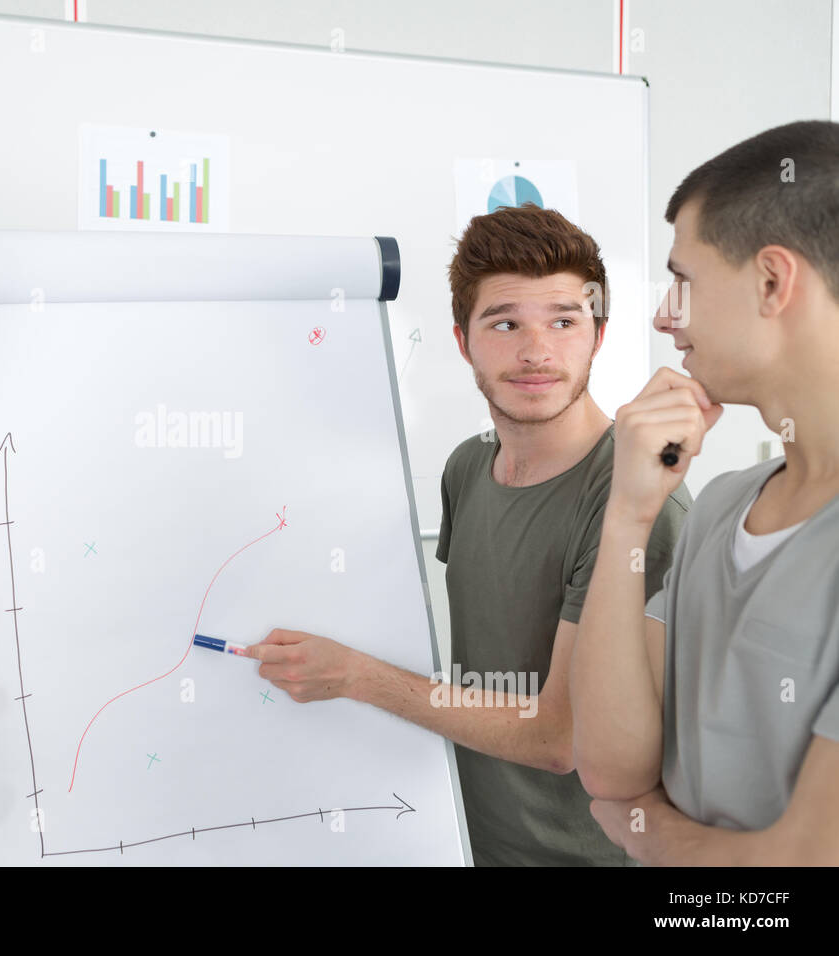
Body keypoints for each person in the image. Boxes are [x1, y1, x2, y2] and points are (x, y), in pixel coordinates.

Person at [248, 204, 691, 865]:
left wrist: (355, 677)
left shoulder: (637, 497)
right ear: (463, 341)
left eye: (563, 322)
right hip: (464, 839)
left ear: (598, 335)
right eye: (505, 323)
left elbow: (560, 736)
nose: (536, 351)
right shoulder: (464, 468)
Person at [571, 120, 839, 864]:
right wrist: (627, 515)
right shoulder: (721, 503)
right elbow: (610, 769)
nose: (664, 316)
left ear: (772, 282)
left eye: (683, 282)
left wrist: (648, 831)